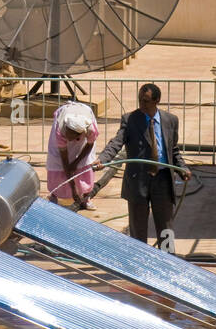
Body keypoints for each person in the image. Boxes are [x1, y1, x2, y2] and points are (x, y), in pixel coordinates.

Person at [95, 82, 192, 243]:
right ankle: (138, 262)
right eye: (140, 100)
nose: (142, 105)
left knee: (165, 228)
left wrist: (182, 168)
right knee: (138, 229)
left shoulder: (171, 121)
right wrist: (102, 159)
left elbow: (173, 151)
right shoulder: (131, 119)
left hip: (162, 180)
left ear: (157, 101)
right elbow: (116, 142)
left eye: (146, 101)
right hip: (138, 181)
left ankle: (167, 262)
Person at [46, 101, 99, 209]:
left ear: (80, 134)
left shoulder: (90, 130)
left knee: (85, 163)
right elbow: (64, 160)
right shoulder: (60, 131)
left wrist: (76, 162)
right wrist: (74, 190)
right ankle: (54, 195)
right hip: (66, 122)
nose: (68, 140)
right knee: (57, 163)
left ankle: (85, 197)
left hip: (83, 121)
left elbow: (89, 145)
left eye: (71, 138)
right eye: (67, 136)